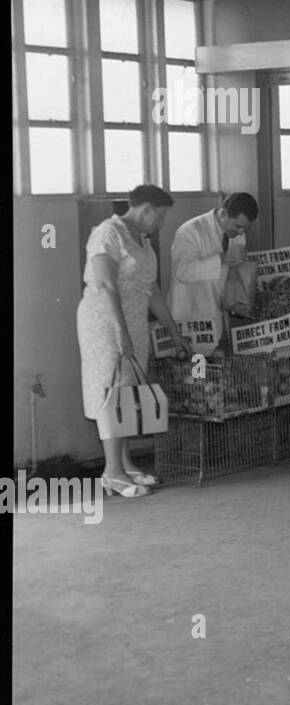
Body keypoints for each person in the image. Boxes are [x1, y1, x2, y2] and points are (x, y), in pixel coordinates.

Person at [77, 185, 193, 498]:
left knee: (127, 392)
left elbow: (152, 291)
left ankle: (124, 464)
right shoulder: (107, 233)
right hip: (105, 323)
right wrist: (120, 331)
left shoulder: (142, 241)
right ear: (146, 210)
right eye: (162, 215)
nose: (162, 223)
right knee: (111, 391)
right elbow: (105, 285)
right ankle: (112, 472)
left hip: (134, 322)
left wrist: (173, 332)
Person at [169, 192, 259, 343]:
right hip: (190, 315)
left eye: (245, 229)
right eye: (238, 226)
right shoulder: (190, 231)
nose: (241, 232)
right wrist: (221, 259)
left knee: (214, 362)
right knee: (192, 364)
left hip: (217, 315)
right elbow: (182, 271)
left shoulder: (237, 235)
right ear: (223, 213)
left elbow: (232, 272)